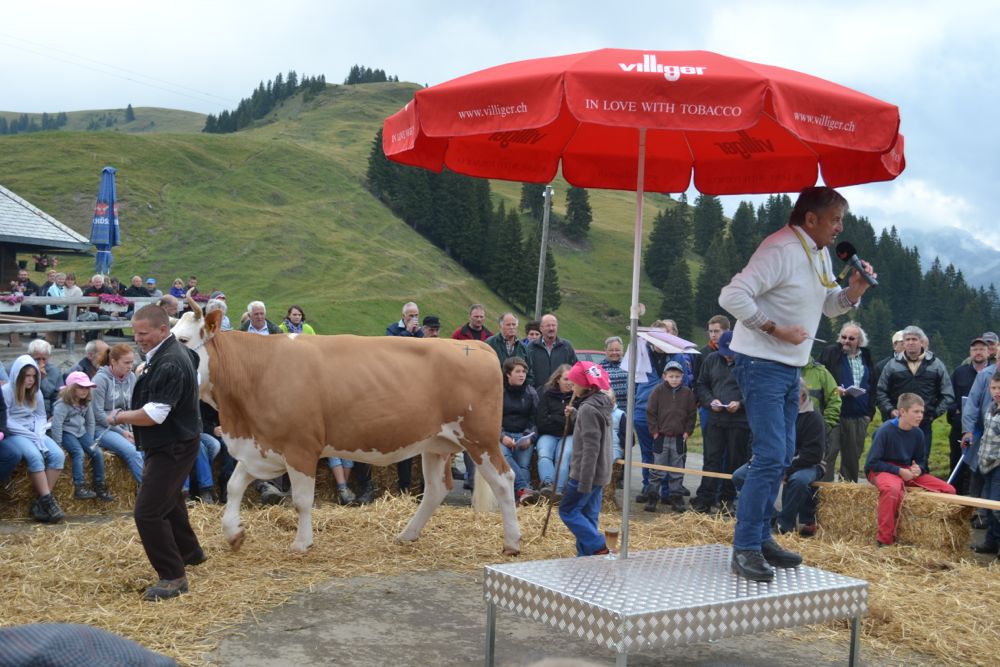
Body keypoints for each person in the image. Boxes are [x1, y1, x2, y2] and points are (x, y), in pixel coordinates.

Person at [718, 186, 874, 582]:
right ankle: (746, 547)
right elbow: (732, 295)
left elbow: (825, 304)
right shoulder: (781, 248)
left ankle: (759, 535)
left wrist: (854, 290)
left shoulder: (817, 252)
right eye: (835, 219)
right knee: (772, 455)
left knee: (782, 454)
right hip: (763, 363)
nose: (840, 228)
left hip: (790, 367)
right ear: (810, 219)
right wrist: (772, 328)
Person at [107, 304, 204, 601]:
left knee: (148, 513)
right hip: (177, 439)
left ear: (163, 330)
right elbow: (195, 359)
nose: (138, 338)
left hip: (171, 444)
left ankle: (173, 576)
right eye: (135, 333)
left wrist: (119, 417)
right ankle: (191, 552)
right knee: (170, 499)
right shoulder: (173, 352)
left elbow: (154, 415)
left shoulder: (170, 362)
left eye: (144, 333)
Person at [733, 378, 827, 537]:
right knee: (739, 476)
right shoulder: (774, 412)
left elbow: (813, 454)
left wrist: (786, 469)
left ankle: (784, 525)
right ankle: (770, 516)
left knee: (798, 480)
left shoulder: (813, 417)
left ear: (802, 395)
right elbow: (758, 439)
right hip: (775, 460)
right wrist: (757, 460)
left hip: (808, 464)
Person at [865, 393, 956, 547]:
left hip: (906, 470)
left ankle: (939, 540)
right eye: (916, 412)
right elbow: (872, 463)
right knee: (892, 491)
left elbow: (922, 462)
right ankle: (884, 541)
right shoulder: (885, 430)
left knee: (949, 490)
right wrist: (899, 472)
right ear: (902, 412)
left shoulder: (918, 433)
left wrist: (918, 469)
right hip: (882, 469)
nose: (920, 416)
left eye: (922, 412)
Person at [876, 325, 953, 467]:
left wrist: (932, 414)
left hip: (923, 424)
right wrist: (890, 410)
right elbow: (881, 391)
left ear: (922, 342)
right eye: (907, 339)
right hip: (896, 424)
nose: (911, 342)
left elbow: (948, 394)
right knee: (894, 463)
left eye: (914, 339)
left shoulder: (936, 365)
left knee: (920, 464)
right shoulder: (892, 365)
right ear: (903, 343)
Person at [558, 361, 614, 557]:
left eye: (574, 383)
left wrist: (584, 482)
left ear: (585, 385)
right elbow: (591, 431)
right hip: (600, 473)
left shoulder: (588, 409)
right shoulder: (601, 403)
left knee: (568, 511)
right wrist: (575, 415)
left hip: (586, 474)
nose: (572, 386)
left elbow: (591, 448)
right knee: (588, 516)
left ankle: (599, 545)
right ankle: (586, 557)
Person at [692, 330, 750, 514]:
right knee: (711, 459)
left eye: (731, 352)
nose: (727, 356)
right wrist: (710, 401)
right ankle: (704, 499)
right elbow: (701, 384)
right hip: (716, 417)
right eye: (724, 352)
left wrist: (740, 403)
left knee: (734, 460)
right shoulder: (712, 360)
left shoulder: (748, 363)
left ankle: (727, 500)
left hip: (739, 420)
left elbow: (755, 391)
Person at [2, 355, 65, 523]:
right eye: (27, 376)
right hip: (14, 432)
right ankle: (48, 501)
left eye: (33, 376)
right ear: (18, 375)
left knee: (58, 455)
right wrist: (31, 436)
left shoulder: (36, 392)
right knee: (35, 456)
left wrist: (38, 433)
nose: (30, 380)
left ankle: (40, 502)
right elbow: (6, 420)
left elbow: (40, 415)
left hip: (35, 430)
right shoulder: (6, 391)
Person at [819, 321, 876, 483]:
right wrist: (832, 389)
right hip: (833, 413)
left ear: (859, 342)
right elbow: (818, 377)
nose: (846, 341)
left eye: (851, 338)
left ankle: (847, 496)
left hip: (858, 415)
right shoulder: (831, 353)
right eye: (843, 337)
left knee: (852, 457)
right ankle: (822, 492)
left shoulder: (866, 357)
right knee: (829, 454)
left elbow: (873, 386)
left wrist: (869, 414)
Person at [644, 360, 697, 512]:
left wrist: (688, 431)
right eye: (671, 376)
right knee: (657, 469)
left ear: (682, 377)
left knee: (677, 469)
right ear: (664, 376)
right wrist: (654, 432)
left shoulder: (687, 393)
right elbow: (651, 412)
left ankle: (676, 496)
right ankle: (653, 496)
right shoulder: (657, 391)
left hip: (679, 437)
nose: (674, 379)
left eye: (677, 376)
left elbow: (692, 415)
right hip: (660, 437)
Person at [51, 371, 113, 501]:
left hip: (81, 432)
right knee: (78, 452)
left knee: (97, 452)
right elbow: (57, 425)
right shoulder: (62, 405)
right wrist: (57, 445)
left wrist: (89, 439)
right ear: (71, 388)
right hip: (67, 432)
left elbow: (90, 421)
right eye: (80, 387)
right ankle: (80, 486)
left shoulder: (85, 402)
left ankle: (99, 485)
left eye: (87, 387)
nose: (85, 390)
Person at [91, 343, 145, 484]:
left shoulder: (132, 377)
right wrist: (122, 432)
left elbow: (132, 407)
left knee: (150, 447)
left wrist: (133, 429)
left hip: (125, 426)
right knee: (132, 452)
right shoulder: (100, 380)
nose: (130, 366)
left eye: (132, 362)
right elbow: (97, 414)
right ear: (113, 362)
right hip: (102, 428)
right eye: (126, 362)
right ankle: (151, 492)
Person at [948, 337, 991, 495]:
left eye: (982, 349)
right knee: (958, 460)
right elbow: (949, 395)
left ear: (988, 352)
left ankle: (977, 499)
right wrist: (955, 413)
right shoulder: (960, 372)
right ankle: (955, 495)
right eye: (975, 349)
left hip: (988, 426)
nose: (978, 352)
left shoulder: (992, 373)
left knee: (980, 466)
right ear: (970, 352)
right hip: (962, 424)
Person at [499, 356, 539, 505]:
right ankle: (524, 489)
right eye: (518, 371)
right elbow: (492, 419)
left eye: (524, 371)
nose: (522, 374)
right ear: (508, 374)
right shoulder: (499, 392)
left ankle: (522, 499)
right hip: (503, 435)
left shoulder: (531, 393)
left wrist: (529, 438)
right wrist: (502, 436)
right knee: (503, 455)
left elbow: (535, 420)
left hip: (523, 435)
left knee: (523, 465)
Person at [970, 375, 1000, 556]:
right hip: (986, 463)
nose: (997, 392)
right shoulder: (990, 408)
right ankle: (991, 542)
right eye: (994, 388)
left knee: (996, 506)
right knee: (988, 506)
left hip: (998, 464)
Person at [536, 364, 575, 498]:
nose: (569, 383)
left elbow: (575, 425)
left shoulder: (577, 398)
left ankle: (557, 491)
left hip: (569, 436)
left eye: (572, 379)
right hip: (549, 434)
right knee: (544, 453)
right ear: (557, 379)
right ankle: (548, 484)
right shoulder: (547, 395)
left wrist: (552, 417)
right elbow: (541, 422)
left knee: (563, 457)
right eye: (565, 379)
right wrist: (562, 420)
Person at [526, 314, 578, 390]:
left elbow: (575, 369)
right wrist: (535, 391)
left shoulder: (566, 346)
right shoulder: (531, 347)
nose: (551, 328)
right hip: (539, 396)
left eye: (553, 325)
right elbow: (527, 371)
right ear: (541, 328)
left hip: (561, 395)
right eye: (548, 326)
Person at [486, 313, 533, 383]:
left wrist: (525, 389)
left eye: (514, 324)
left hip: (518, 391)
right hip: (496, 388)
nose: (511, 327)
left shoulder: (524, 348)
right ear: (501, 326)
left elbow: (529, 372)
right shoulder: (490, 343)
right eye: (508, 325)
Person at [27, 339, 61, 418]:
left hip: (47, 411)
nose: (41, 362)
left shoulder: (54, 371)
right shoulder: (22, 368)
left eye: (44, 359)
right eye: (37, 359)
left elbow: (56, 395)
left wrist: (42, 378)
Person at [600, 336, 628, 409]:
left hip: (628, 411)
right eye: (611, 350)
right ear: (605, 350)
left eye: (617, 350)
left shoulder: (630, 366)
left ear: (622, 350)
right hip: (609, 411)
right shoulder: (600, 368)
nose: (614, 352)